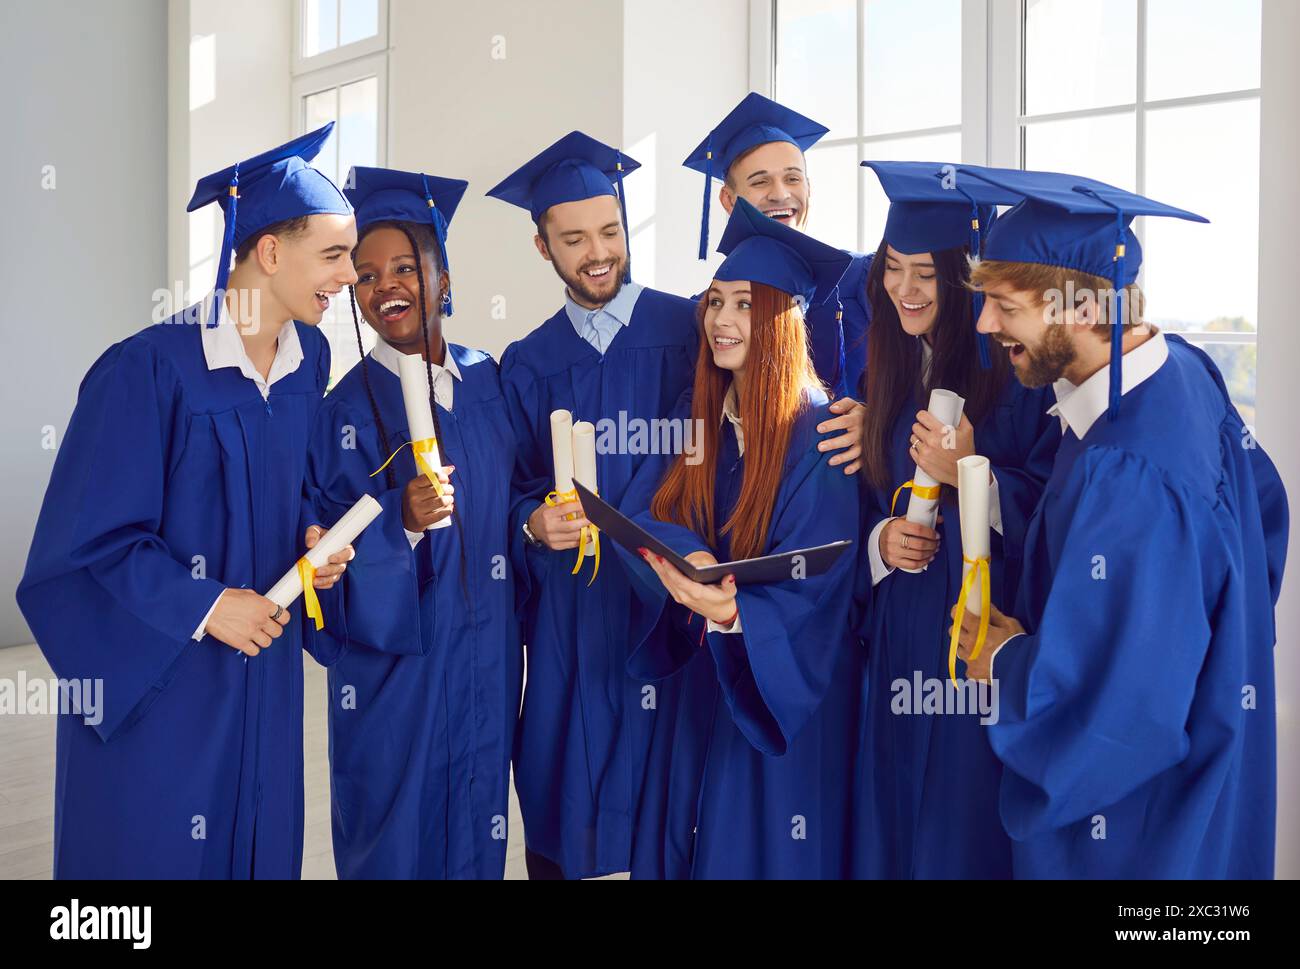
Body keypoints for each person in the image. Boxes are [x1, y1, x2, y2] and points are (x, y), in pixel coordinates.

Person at [16, 125, 358, 878]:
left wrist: (312, 541)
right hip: (167, 678)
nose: (351, 277)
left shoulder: (310, 362)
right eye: (334, 255)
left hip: (262, 675)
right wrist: (207, 607)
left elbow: (298, 487)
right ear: (269, 252)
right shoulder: (147, 370)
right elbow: (92, 545)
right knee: (155, 848)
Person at [952, 166, 1288, 879]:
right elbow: (1265, 522)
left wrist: (1005, 662)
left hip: (1142, 831)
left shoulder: (1128, 469)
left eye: (1004, 306)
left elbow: (1116, 712)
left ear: (1078, 308)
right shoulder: (1187, 376)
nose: (984, 324)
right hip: (1214, 770)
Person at [617, 199, 861, 879]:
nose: (721, 321)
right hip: (709, 676)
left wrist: (734, 612)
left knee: (764, 845)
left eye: (744, 305)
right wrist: (688, 557)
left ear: (781, 320)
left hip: (785, 684)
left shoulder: (821, 433)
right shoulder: (698, 419)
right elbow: (644, 508)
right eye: (714, 302)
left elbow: (820, 579)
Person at [488, 131, 700, 880]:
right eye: (573, 238)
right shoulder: (527, 364)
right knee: (565, 817)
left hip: (665, 609)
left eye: (610, 230)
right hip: (568, 624)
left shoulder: (691, 332)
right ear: (543, 246)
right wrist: (529, 522)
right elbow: (506, 491)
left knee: (669, 817)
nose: (598, 252)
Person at [304, 166, 522, 879]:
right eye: (364, 275)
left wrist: (541, 524)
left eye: (405, 266)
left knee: (477, 834)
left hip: (486, 661)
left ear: (445, 277)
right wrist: (398, 517)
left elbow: (518, 501)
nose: (385, 285)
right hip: (396, 678)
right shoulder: (343, 410)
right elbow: (320, 548)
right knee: (396, 841)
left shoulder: (489, 380)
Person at [851, 161, 1059, 879]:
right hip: (901, 625)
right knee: (893, 818)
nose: (904, 289)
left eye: (926, 274)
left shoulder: (1022, 374)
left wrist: (972, 473)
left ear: (962, 278)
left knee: (959, 829)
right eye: (893, 268)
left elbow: (1056, 507)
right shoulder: (882, 370)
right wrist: (881, 542)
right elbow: (855, 507)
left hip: (975, 628)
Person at [684, 91, 873, 404]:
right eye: (760, 182)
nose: (780, 194)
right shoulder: (709, 314)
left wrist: (870, 423)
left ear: (809, 188)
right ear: (728, 201)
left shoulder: (865, 281)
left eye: (793, 178)